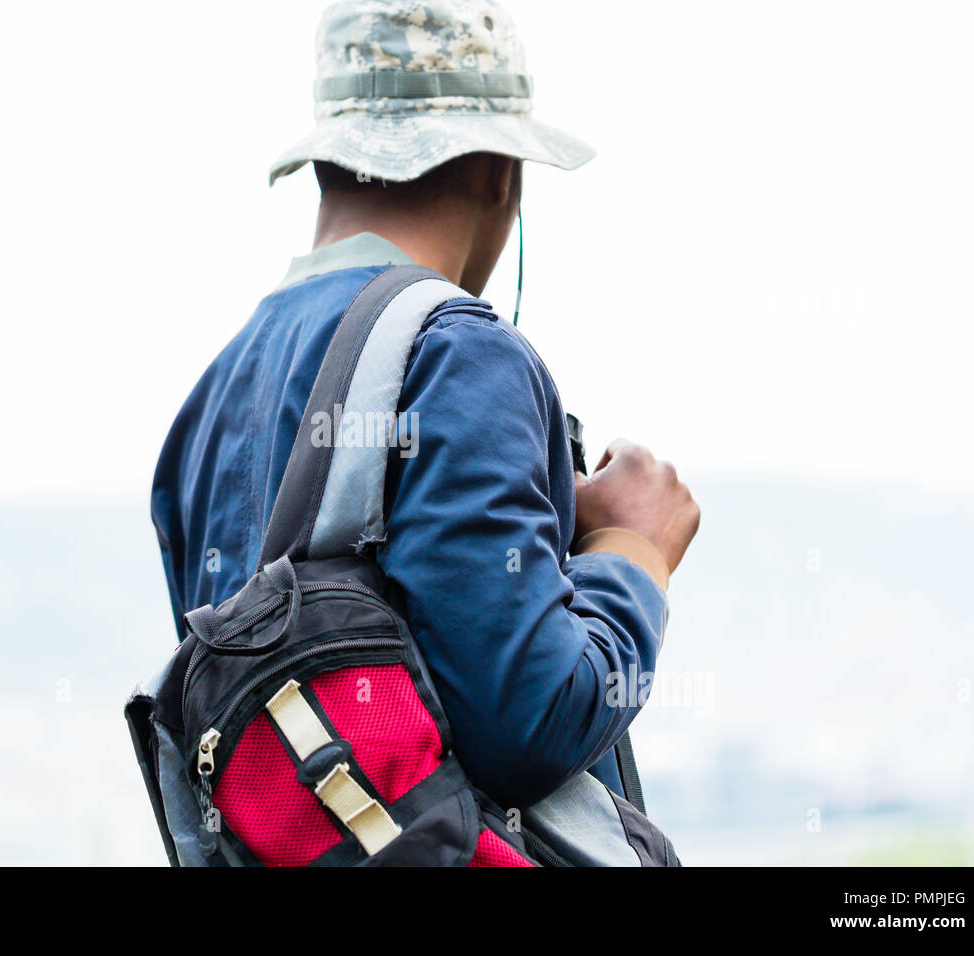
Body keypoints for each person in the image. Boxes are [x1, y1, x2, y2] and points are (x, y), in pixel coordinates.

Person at [151, 0, 699, 811]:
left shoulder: (211, 401)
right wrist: (633, 551)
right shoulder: (455, 351)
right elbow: (531, 726)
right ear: (497, 171)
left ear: (327, 161)